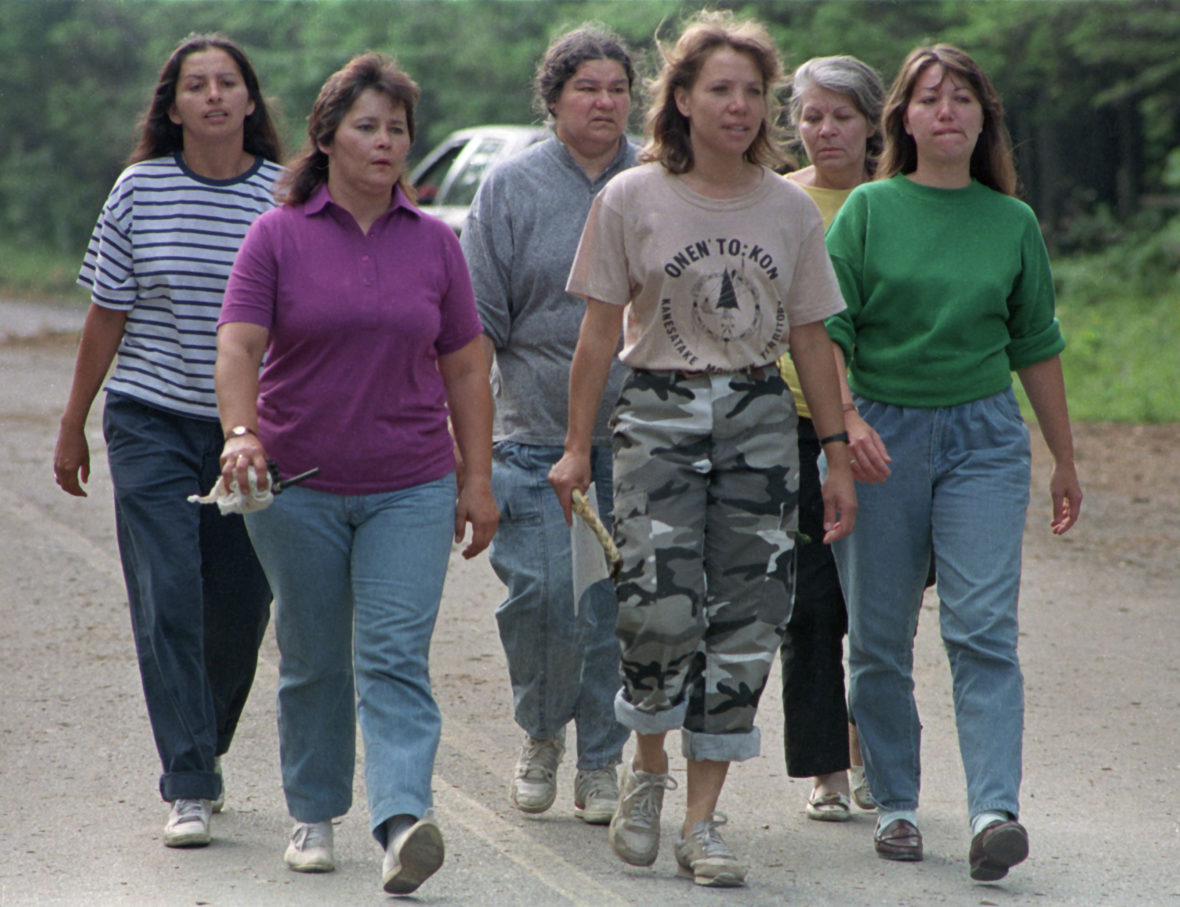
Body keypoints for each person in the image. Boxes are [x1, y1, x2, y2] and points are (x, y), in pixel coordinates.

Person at [548, 11, 856, 888]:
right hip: (658, 407)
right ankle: (649, 767)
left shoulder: (790, 207)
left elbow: (810, 338)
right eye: (719, 88)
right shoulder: (630, 197)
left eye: (754, 92)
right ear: (680, 99)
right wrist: (576, 449)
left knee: (750, 616)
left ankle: (703, 820)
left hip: (761, 413)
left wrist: (834, 453)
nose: (739, 106)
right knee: (657, 604)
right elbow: (598, 335)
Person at [214, 52, 497, 895]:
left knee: (394, 655)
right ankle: (314, 808)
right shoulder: (278, 234)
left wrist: (475, 479)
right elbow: (238, 344)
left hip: (411, 483)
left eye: (398, 128)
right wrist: (240, 431)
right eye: (367, 127)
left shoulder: (436, 243)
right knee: (312, 655)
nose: (384, 142)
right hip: (295, 485)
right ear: (329, 136)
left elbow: (467, 367)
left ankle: (402, 819)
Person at [824, 44, 1083, 880]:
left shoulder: (1011, 221)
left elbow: (1036, 344)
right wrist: (847, 423)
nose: (947, 111)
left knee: (982, 631)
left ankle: (992, 812)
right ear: (902, 116)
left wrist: (1064, 457)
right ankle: (896, 800)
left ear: (983, 117)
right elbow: (828, 331)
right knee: (878, 635)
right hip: (881, 438)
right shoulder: (866, 209)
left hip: (984, 437)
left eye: (962, 97)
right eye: (930, 98)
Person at [52, 33, 280, 849]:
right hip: (149, 418)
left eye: (228, 83)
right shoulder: (139, 190)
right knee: (169, 596)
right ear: (173, 105)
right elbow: (107, 313)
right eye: (197, 85)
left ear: (251, 102)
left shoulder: (284, 197)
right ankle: (187, 778)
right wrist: (74, 420)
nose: (214, 95)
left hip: (252, 431)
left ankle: (204, 744)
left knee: (241, 607)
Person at [460, 25, 637, 826]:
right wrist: (467, 452)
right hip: (531, 429)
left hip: (637, 434)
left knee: (608, 606)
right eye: (586, 88)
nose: (604, 102)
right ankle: (540, 732)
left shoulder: (656, 179)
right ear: (554, 98)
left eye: (617, 88)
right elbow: (477, 332)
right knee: (539, 595)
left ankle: (602, 757)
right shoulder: (511, 185)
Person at [776, 54, 886, 822]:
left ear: (873, 123)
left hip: (890, 418)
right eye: (811, 115)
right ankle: (827, 766)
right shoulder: (776, 201)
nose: (825, 130)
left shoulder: (898, 199)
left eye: (841, 115)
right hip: (793, 419)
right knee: (810, 601)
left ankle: (880, 742)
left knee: (881, 599)